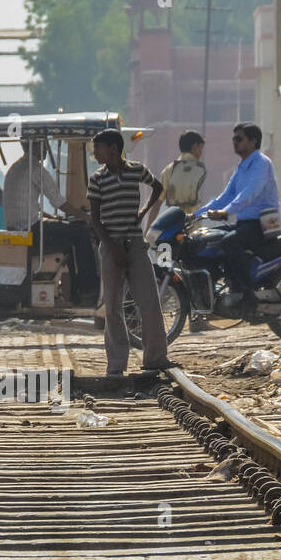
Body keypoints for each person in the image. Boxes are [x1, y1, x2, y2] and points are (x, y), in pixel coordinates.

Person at [87, 129, 173, 376]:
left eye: (98, 148)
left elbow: (157, 187)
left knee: (149, 301)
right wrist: (113, 249)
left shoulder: (137, 169)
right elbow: (95, 219)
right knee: (112, 307)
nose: (95, 154)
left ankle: (155, 358)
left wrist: (144, 211)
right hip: (109, 244)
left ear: (113, 148)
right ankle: (116, 364)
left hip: (135, 243)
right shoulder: (97, 179)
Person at [196, 122, 280, 302]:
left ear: (253, 141)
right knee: (210, 237)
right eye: (234, 139)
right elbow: (224, 197)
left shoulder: (261, 163)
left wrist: (225, 212)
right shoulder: (242, 168)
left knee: (230, 242)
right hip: (246, 224)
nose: (235, 142)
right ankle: (227, 284)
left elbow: (250, 192)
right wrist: (194, 215)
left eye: (239, 139)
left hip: (264, 224)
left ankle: (246, 292)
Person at [4, 139, 84, 231]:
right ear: (37, 147)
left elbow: (31, 209)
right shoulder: (35, 169)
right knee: (79, 230)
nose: (46, 149)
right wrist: (85, 216)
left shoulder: (14, 168)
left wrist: (52, 217)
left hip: (14, 228)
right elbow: (57, 201)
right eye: (45, 146)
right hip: (30, 228)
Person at [152, 130, 207, 223]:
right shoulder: (199, 169)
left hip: (173, 225)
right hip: (192, 226)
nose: (201, 153)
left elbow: (157, 203)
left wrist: (147, 230)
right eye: (200, 148)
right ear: (194, 147)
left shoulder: (168, 170)